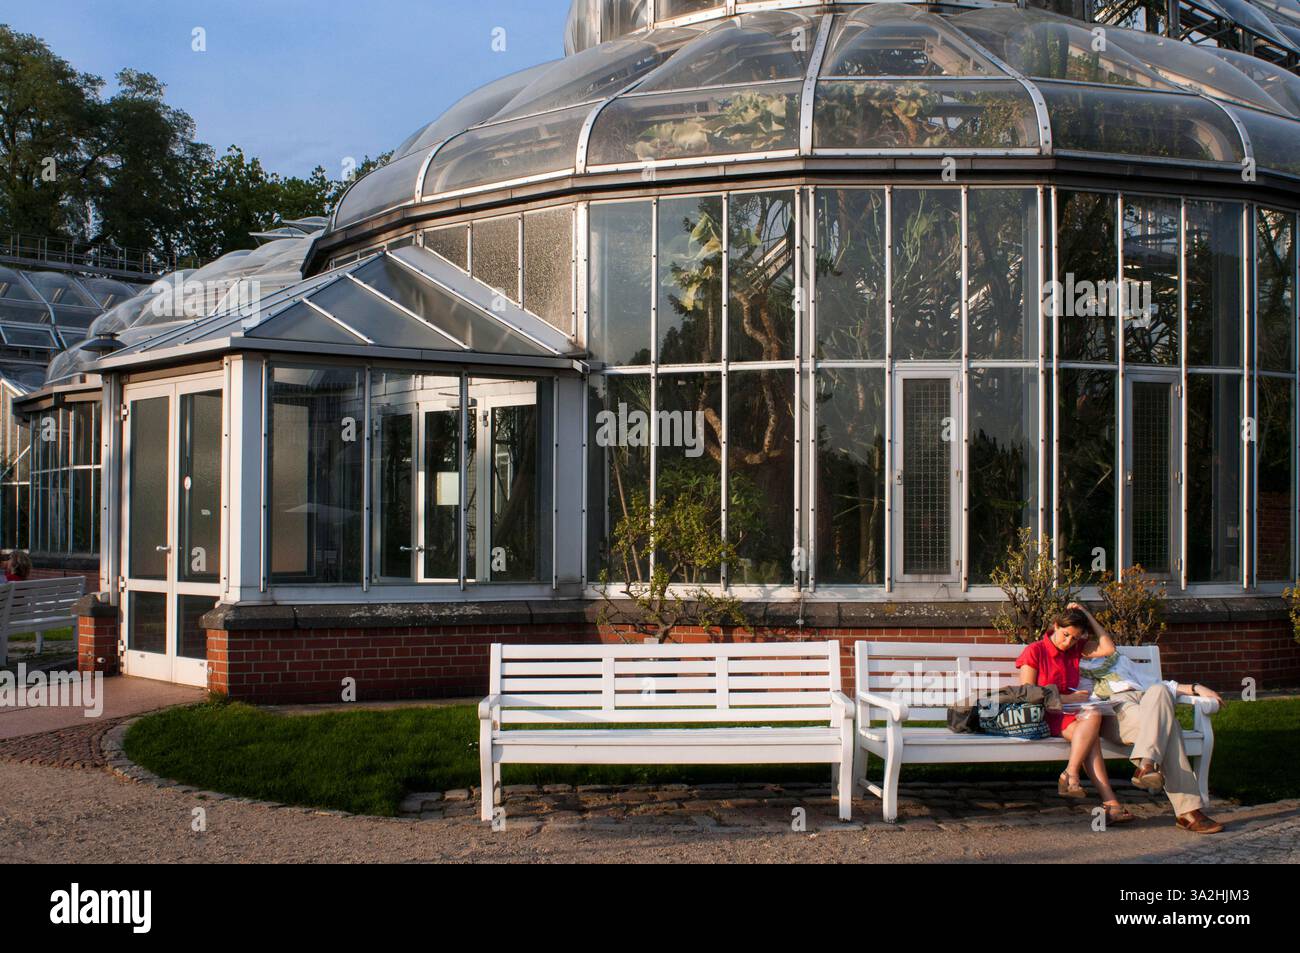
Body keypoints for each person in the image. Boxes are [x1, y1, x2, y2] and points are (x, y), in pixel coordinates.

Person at [1072, 603, 1225, 835]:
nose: (1081, 638)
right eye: (1076, 633)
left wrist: (1195, 687)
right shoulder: (1071, 662)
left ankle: (1147, 764)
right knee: (1169, 726)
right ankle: (1187, 811)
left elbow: (1156, 684)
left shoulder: (1118, 660)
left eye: (1085, 631)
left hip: (1146, 702)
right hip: (1114, 710)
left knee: (1159, 692)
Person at [1016, 606, 1134, 824]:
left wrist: (1088, 614)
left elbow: (1108, 649)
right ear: (1055, 626)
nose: (1069, 641)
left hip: (1070, 716)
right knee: (1091, 732)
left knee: (1092, 718)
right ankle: (1108, 801)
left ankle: (1072, 774)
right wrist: (1067, 699)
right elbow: (1027, 693)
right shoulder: (1035, 650)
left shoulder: (1075, 649)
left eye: (1075, 637)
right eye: (1065, 634)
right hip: (1043, 715)